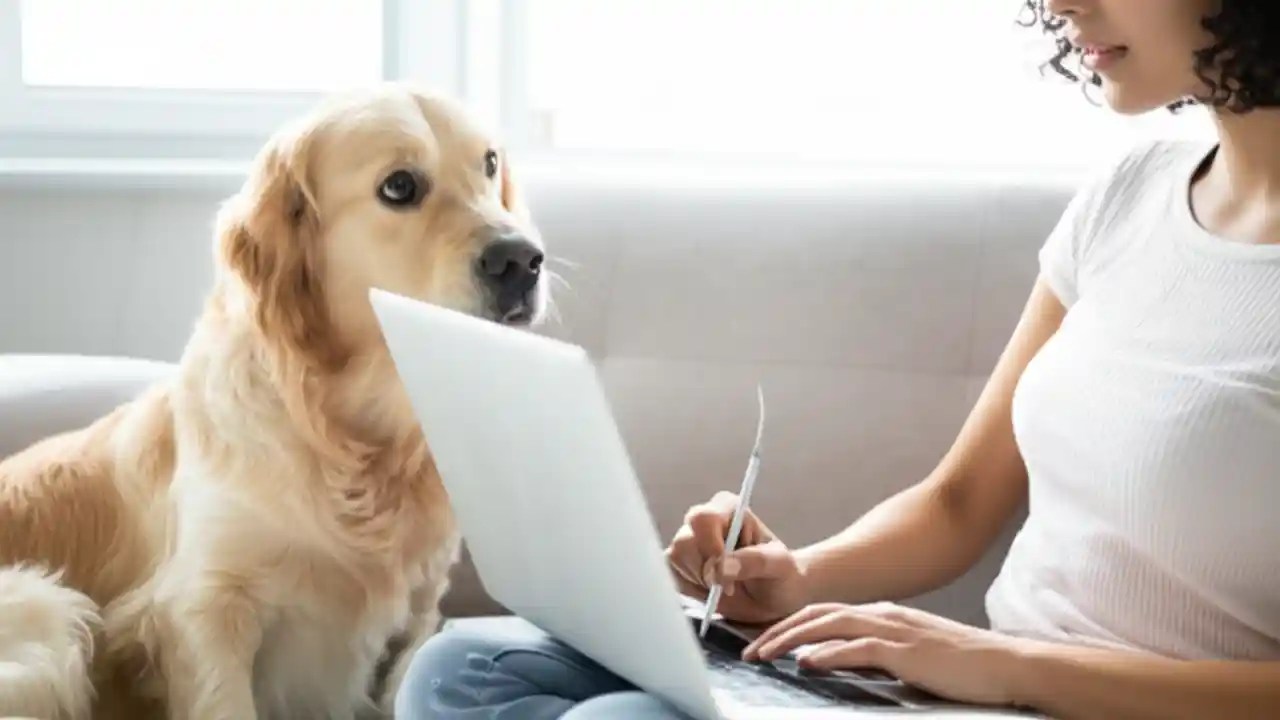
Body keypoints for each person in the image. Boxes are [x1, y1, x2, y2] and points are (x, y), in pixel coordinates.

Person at [395, 1, 1280, 717]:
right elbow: (960, 502)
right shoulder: (1131, 194)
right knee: (465, 669)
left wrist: (1008, 665)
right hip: (969, 694)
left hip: (1049, 694)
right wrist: (798, 578)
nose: (1061, 5)